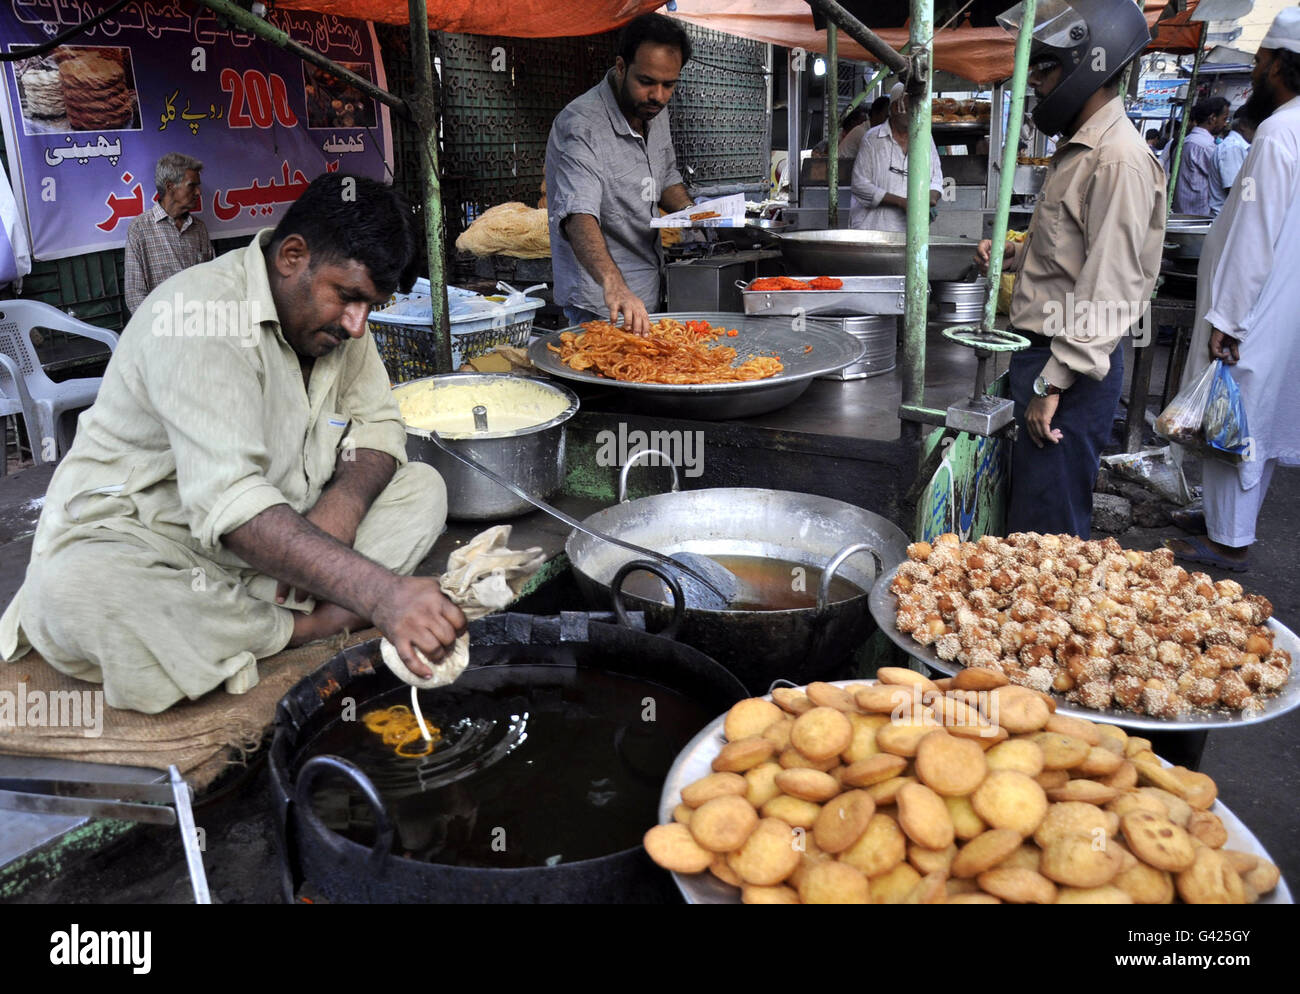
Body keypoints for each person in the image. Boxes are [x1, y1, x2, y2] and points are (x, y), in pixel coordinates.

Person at [0, 174, 466, 713]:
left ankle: (254, 615)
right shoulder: (198, 316)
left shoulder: (338, 327)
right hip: (155, 548)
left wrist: (343, 505)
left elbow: (380, 429)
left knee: (423, 487)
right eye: (350, 298)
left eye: (371, 306)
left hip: (280, 539)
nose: (359, 325)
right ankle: (301, 626)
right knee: (79, 591)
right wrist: (381, 594)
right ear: (293, 256)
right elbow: (234, 505)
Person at [976, 0, 1165, 538]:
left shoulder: (1118, 158)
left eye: (1046, 67)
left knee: (1047, 532)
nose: (1035, 82)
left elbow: (1112, 284)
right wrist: (1015, 255)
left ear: (1090, 64)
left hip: (1069, 368)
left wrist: (1052, 384)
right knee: (1026, 520)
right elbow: (1069, 252)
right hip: (1041, 357)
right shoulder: (1079, 151)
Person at [1165, 8, 1300, 573]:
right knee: (1256, 423)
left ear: (1279, 66)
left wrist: (1228, 319)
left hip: (1257, 307)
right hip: (1280, 304)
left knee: (1233, 415)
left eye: (1261, 62)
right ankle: (1227, 522)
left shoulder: (1276, 133)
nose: (1256, 73)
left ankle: (1228, 542)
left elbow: (1254, 235)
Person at [545, 13, 695, 335]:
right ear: (621, 66)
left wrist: (696, 215)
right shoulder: (583, 125)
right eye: (647, 81)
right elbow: (577, 215)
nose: (658, 95)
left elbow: (665, 175)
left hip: (649, 285)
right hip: (603, 304)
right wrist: (614, 285)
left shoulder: (654, 109)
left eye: (669, 84)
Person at [123, 152, 214, 314]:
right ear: (170, 186)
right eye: (192, 185)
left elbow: (212, 280)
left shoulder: (199, 228)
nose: (199, 192)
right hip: (161, 326)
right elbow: (135, 295)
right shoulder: (140, 229)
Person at [849, 83, 943, 231]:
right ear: (894, 108)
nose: (915, 110)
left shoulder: (925, 137)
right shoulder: (872, 139)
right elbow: (859, 185)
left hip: (910, 232)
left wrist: (930, 200)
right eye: (909, 105)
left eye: (917, 106)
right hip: (873, 230)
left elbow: (936, 177)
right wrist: (900, 202)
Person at [1171, 96, 1230, 215]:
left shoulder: (1185, 142)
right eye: (1224, 119)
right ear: (1212, 118)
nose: (1225, 124)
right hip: (1199, 216)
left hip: (1181, 214)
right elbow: (1224, 181)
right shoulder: (1205, 146)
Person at [1212, 111, 1256, 209]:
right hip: (1226, 217)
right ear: (1243, 125)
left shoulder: (1237, 147)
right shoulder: (1232, 148)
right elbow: (1236, 190)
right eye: (1256, 126)